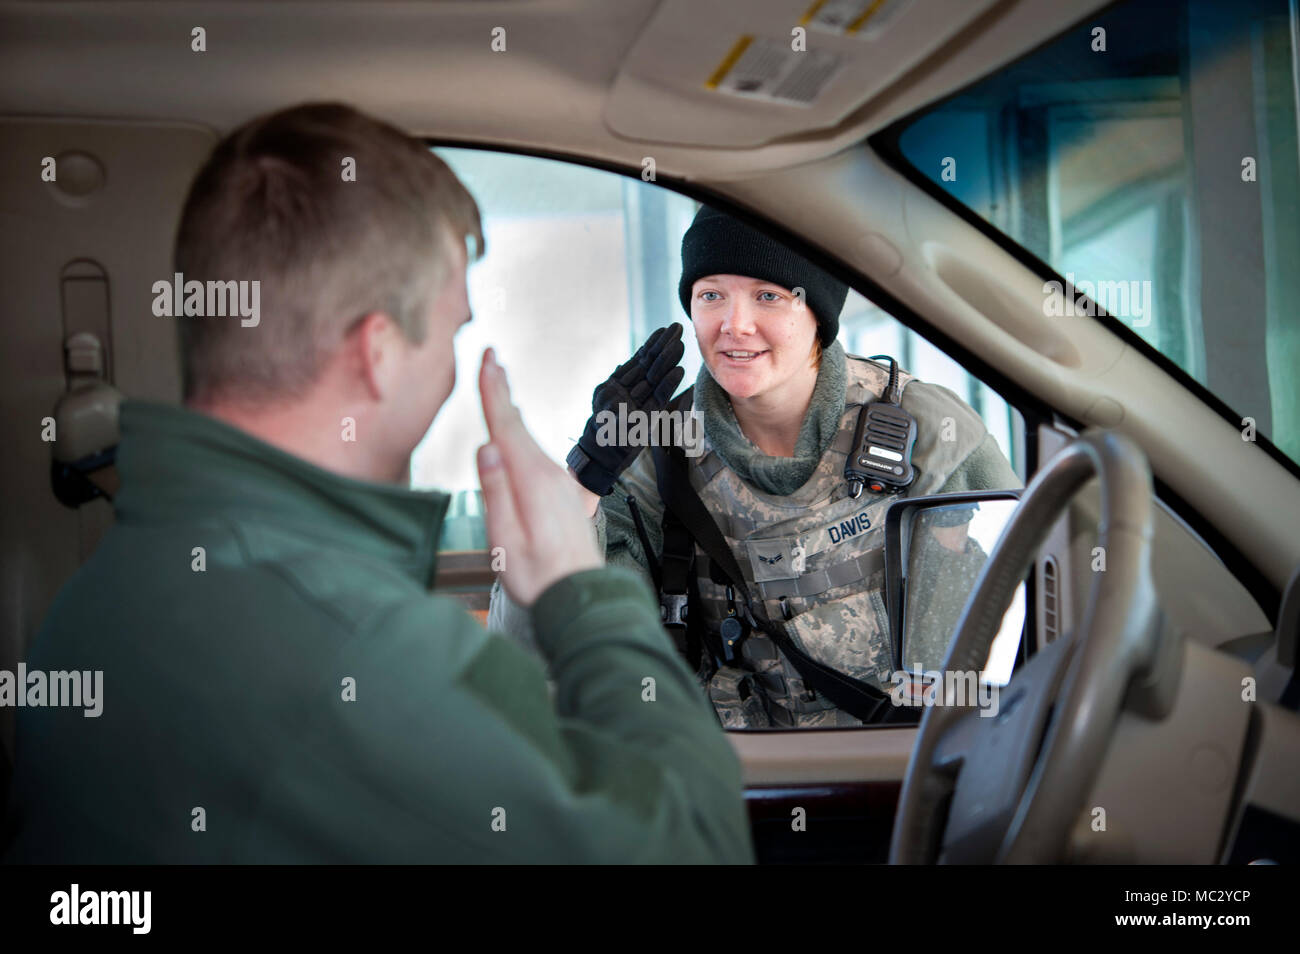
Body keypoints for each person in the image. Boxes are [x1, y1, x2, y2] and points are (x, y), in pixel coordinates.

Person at [2, 104, 752, 863]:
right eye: (453, 331)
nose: (453, 367)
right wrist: (579, 591)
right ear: (379, 352)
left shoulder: (110, 584)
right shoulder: (352, 649)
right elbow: (695, 843)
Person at [490, 206, 1021, 728]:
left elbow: (1026, 627)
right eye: (711, 295)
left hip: (901, 766)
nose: (734, 325)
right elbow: (537, 657)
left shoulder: (926, 429)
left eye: (768, 295)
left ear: (818, 314)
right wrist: (585, 480)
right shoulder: (654, 454)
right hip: (745, 773)